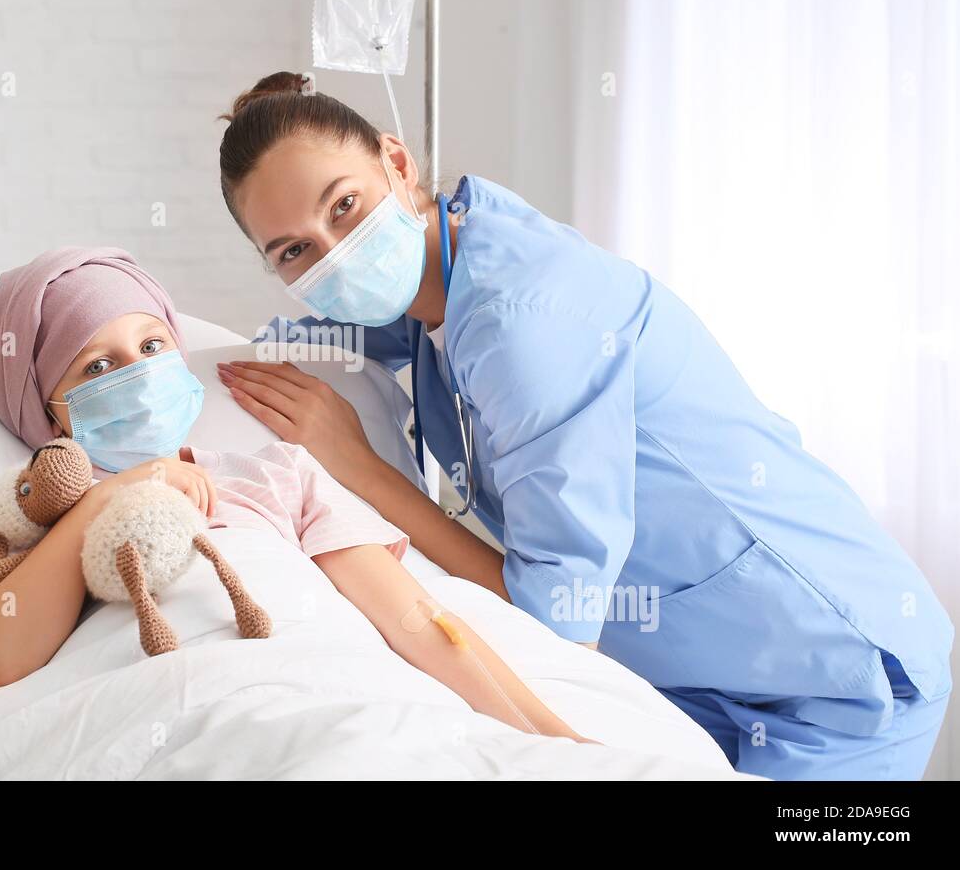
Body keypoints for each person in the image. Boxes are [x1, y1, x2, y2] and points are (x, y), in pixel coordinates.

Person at [212, 70, 953, 779]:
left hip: (836, 678)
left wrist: (359, 469)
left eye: (343, 206)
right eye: (295, 251)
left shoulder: (526, 324)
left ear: (396, 161)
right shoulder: (441, 274)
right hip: (694, 673)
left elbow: (552, 620)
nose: (335, 255)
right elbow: (309, 341)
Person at [0, 246, 594, 743]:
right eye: (98, 367)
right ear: (52, 415)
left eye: (151, 345)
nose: (139, 374)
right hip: (167, 720)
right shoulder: (40, 509)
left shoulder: (280, 474)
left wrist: (555, 739)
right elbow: (4, 657)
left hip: (314, 701)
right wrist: (107, 500)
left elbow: (417, 622)